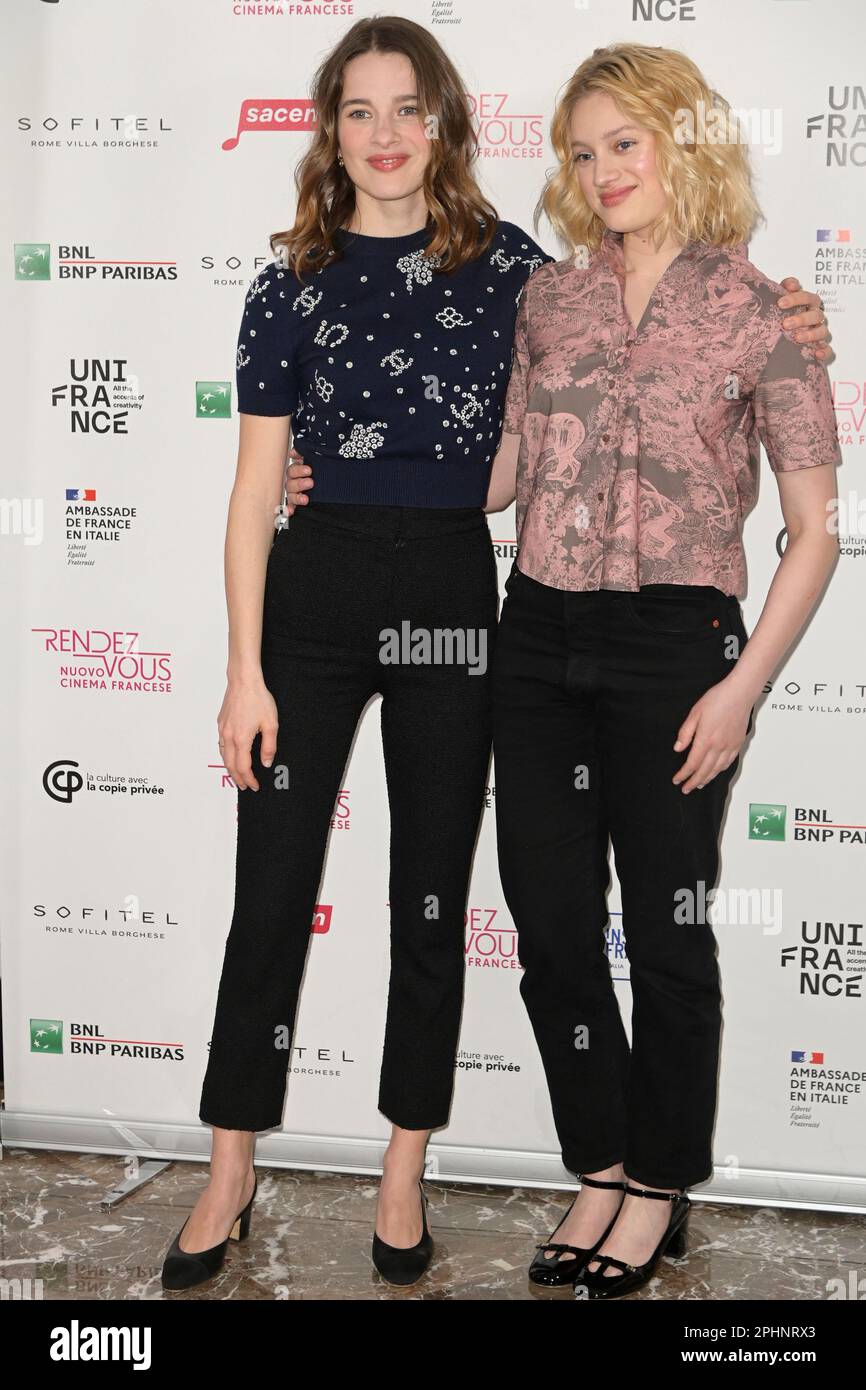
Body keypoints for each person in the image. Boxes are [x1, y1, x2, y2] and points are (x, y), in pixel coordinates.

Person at [160, 15, 553, 1292]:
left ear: (444, 122)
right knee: (268, 893)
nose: (385, 136)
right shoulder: (289, 280)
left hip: (447, 591)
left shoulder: (512, 271)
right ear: (330, 131)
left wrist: (783, 312)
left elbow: (594, 367)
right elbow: (250, 488)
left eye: (408, 108)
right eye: (359, 110)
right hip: (314, 600)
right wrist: (241, 668)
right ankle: (229, 1165)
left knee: (429, 896)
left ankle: (401, 1168)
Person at [483, 42, 842, 1299]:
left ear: (681, 141)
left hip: (674, 649)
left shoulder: (760, 310)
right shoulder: (545, 301)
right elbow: (499, 476)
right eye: (581, 152)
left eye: (623, 142)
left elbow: (815, 532)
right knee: (551, 930)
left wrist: (736, 688)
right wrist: (343, 476)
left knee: (672, 933)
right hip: (531, 639)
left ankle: (658, 1182)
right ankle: (598, 1163)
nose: (600, 171)